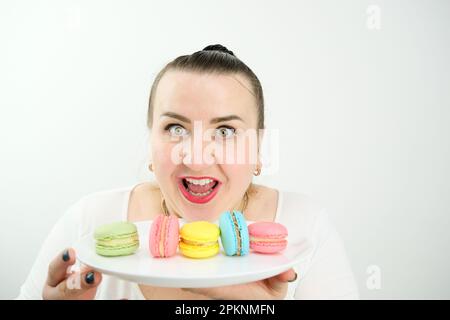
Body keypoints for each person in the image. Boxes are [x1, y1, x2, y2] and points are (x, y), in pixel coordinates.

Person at [17, 44, 359, 299]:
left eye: (225, 132)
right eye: (176, 129)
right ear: (150, 140)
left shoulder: (306, 228)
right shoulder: (88, 224)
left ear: (257, 149)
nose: (196, 159)